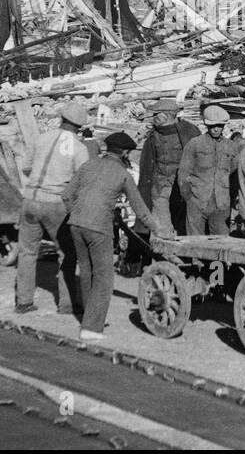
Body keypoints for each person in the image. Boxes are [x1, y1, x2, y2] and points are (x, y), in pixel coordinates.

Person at [63, 131, 171, 341]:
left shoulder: (89, 165)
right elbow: (139, 208)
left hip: (76, 224)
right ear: (124, 152)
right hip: (98, 229)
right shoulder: (123, 174)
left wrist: (77, 213)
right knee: (103, 278)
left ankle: (88, 317)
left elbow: (66, 195)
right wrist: (158, 229)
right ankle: (92, 328)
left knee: (87, 272)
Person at [14, 102, 89, 316]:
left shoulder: (42, 138)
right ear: (80, 127)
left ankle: (24, 302)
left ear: (61, 118)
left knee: (27, 252)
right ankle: (66, 304)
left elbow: (27, 167)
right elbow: (81, 181)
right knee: (66, 253)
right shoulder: (79, 148)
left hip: (30, 199)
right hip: (56, 204)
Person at [136, 98, 199, 237]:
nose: (153, 118)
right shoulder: (153, 135)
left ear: (166, 114)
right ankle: (161, 256)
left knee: (183, 225)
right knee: (160, 228)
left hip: (182, 188)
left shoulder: (190, 132)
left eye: (156, 114)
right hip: (160, 187)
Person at [177, 105, 239, 235]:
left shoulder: (231, 146)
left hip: (221, 203)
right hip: (197, 200)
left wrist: (230, 199)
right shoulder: (194, 144)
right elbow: (183, 173)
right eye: (212, 126)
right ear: (206, 125)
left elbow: (235, 176)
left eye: (219, 126)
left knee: (221, 242)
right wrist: (189, 198)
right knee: (195, 242)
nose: (216, 129)